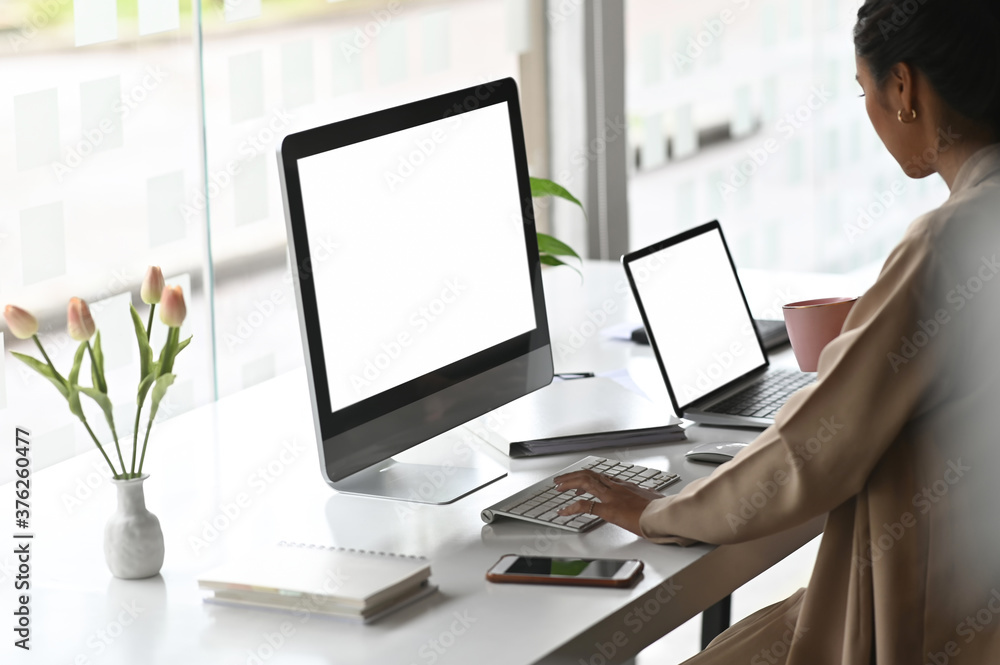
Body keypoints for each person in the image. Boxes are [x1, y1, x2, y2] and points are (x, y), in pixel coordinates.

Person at [554, 0, 1000, 662]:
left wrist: (658, 510)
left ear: (903, 88)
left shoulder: (946, 243)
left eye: (863, 92)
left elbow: (811, 452)